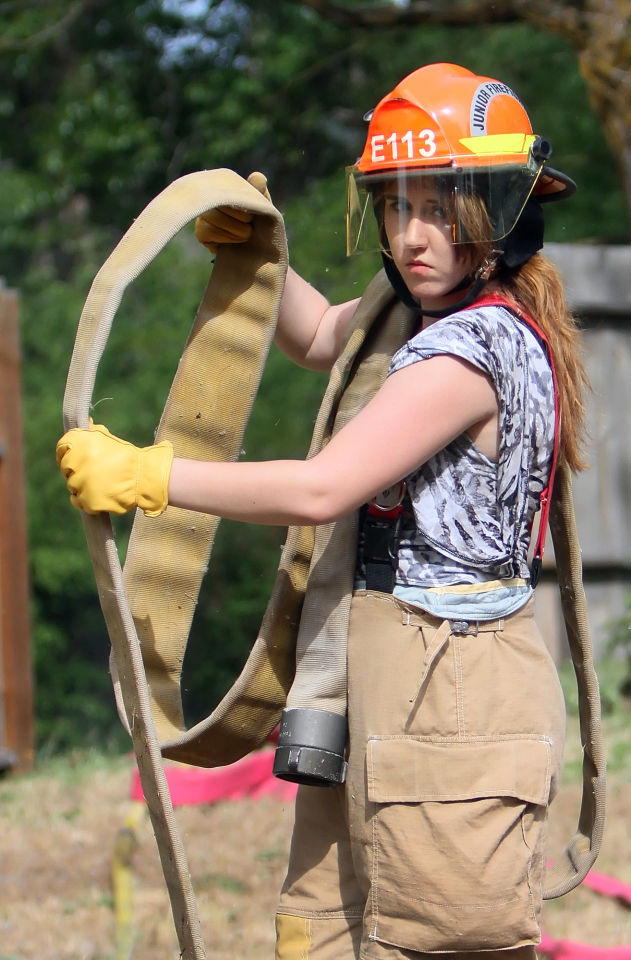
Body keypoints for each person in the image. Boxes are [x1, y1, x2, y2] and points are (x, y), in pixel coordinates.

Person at [58, 63, 589, 960]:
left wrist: (153, 476)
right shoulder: (418, 315)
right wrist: (258, 253)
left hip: (449, 687)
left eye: (436, 206)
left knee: (435, 942)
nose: (410, 234)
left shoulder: (472, 348)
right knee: (321, 934)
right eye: (392, 205)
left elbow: (319, 490)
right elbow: (313, 339)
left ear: (497, 210)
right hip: (378, 669)